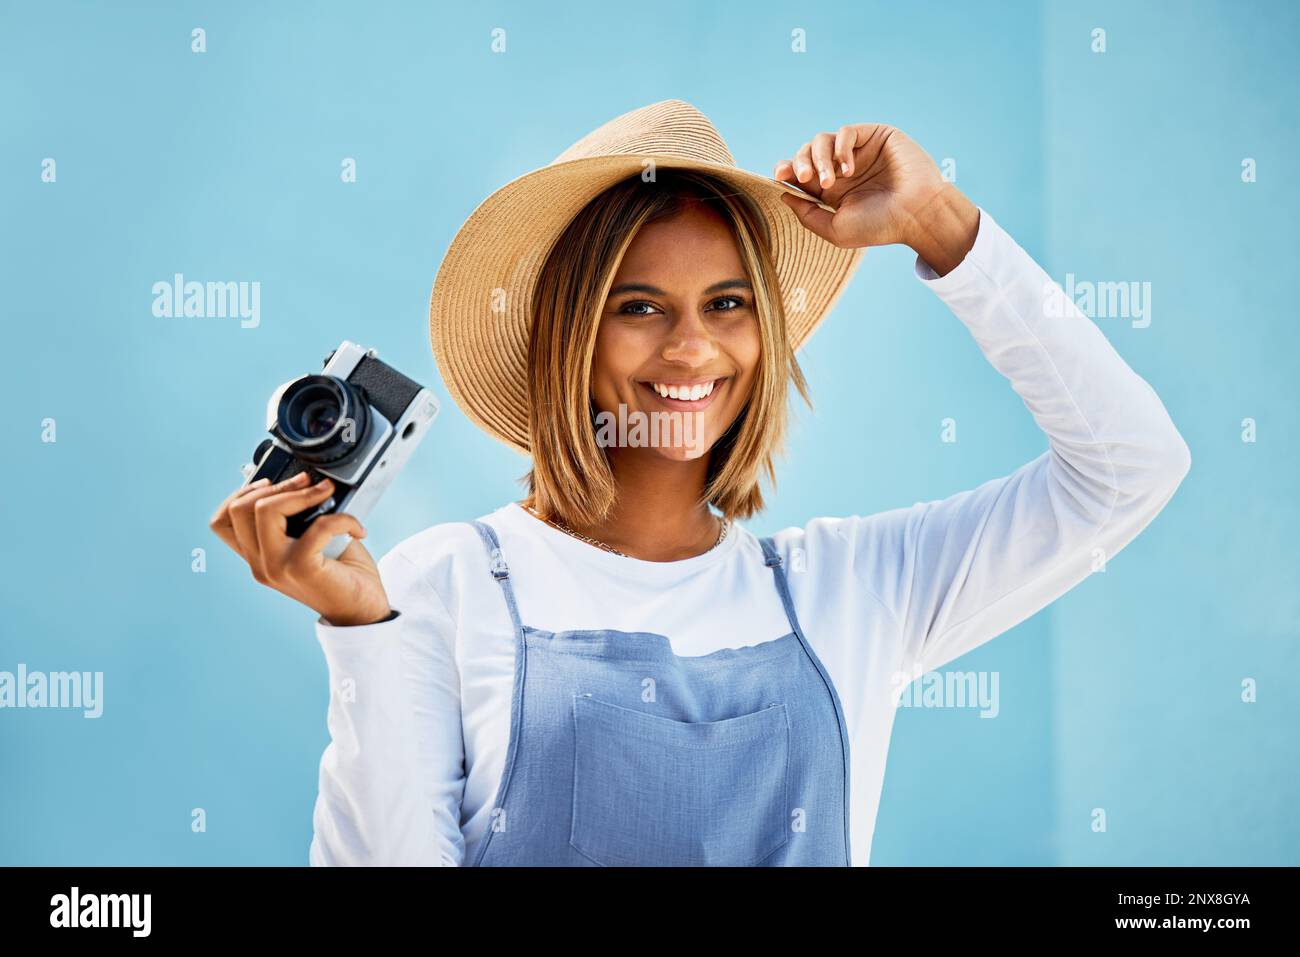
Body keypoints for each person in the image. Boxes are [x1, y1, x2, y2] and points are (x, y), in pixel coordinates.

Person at [209, 100, 1191, 866]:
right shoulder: (441, 584)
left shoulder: (852, 591)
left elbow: (1129, 466)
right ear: (569, 334)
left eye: (726, 304)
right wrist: (358, 640)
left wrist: (942, 226)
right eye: (639, 306)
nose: (691, 347)